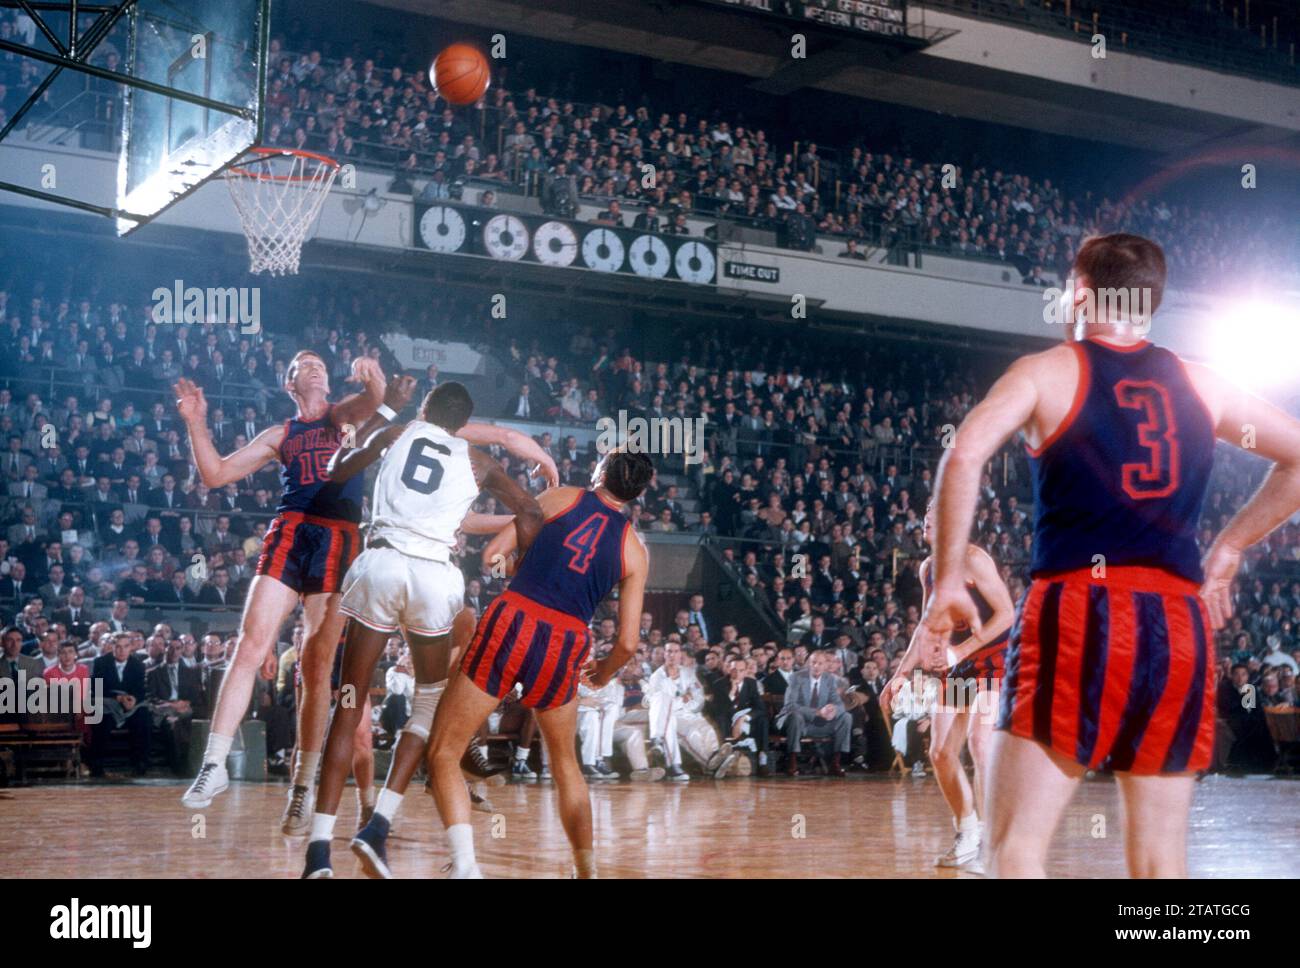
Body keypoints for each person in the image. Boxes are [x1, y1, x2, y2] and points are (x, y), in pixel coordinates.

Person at [921, 232, 1300, 878]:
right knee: (1159, 863)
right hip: (1177, 622)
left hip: (1078, 609)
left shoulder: (1047, 371)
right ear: (1152, 302)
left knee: (1015, 849)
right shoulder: (1204, 384)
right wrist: (1232, 545)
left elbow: (965, 452)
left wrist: (949, 577)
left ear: (1078, 291)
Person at [302, 381, 552, 879]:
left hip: (384, 563)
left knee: (349, 703)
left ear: (424, 409)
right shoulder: (477, 460)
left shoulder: (395, 432)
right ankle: (377, 828)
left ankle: (317, 855)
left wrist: (376, 423)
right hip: (435, 577)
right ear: (460, 425)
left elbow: (334, 473)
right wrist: (526, 571)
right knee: (429, 700)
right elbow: (529, 510)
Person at [177, 353, 387, 835]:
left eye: (319, 364)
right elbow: (215, 475)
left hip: (339, 536)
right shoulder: (280, 434)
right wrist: (196, 424)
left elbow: (375, 400)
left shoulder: (341, 416)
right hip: (291, 531)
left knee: (316, 665)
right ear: (289, 382)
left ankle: (303, 786)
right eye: (302, 364)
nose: (314, 367)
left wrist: (373, 374)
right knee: (250, 645)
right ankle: (214, 765)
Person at [427, 448, 654, 879]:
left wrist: (512, 568)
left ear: (600, 472)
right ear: (638, 493)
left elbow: (492, 554)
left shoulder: (560, 498)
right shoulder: (634, 550)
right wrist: (602, 673)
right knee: (566, 764)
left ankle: (466, 865)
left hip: (514, 617)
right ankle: (586, 871)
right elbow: (627, 642)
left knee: (443, 751)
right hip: (566, 638)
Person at [884, 504, 1013, 868]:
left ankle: (993, 836)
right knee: (940, 751)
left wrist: (961, 650)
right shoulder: (928, 569)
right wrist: (900, 673)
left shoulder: (974, 559)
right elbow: (927, 628)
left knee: (980, 741)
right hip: (961, 666)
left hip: (993, 659)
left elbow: (1007, 614)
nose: (927, 517)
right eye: (925, 511)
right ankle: (967, 830)